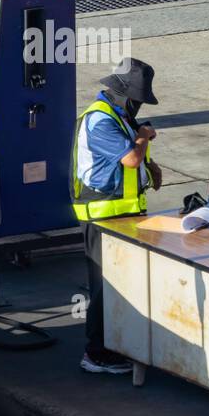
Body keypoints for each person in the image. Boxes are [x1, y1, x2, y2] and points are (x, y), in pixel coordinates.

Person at [71, 58, 163, 374]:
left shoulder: (118, 115)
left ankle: (114, 344)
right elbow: (129, 159)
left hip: (121, 215)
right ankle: (95, 353)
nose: (138, 105)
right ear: (124, 94)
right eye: (137, 99)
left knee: (120, 284)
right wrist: (143, 138)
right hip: (102, 216)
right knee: (103, 286)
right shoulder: (100, 121)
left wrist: (150, 166)